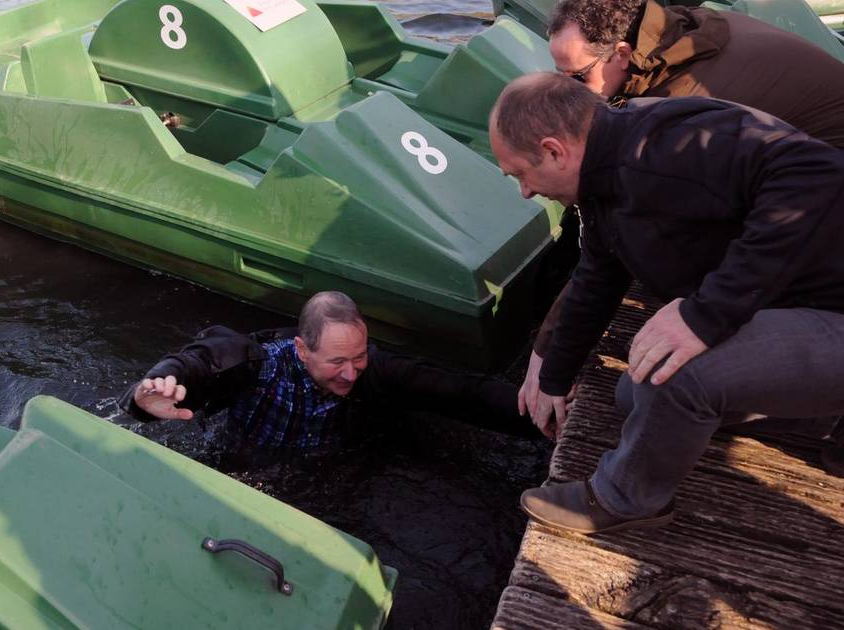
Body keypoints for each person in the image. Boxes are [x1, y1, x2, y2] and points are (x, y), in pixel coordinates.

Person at [489, 72, 844, 533]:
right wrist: (554, 377)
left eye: (520, 174)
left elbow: (819, 174)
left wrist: (705, 314)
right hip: (805, 306)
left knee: (675, 373)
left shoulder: (669, 147)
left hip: (832, 311)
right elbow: (597, 278)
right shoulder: (603, 179)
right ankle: (829, 420)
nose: (525, 191)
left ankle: (625, 500)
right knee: (634, 392)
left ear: (555, 150)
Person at [522, 0, 844, 439]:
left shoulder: (683, 107)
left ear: (621, 53)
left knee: (655, 371)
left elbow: (608, 245)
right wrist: (555, 360)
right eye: (559, 74)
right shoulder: (680, 34)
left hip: (823, 214)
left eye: (578, 77)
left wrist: (702, 317)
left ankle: (809, 406)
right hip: (805, 182)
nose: (569, 91)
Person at [118, 291, 532, 451]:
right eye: (336, 362)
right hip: (244, 457)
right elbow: (199, 361)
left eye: (358, 357)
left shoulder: (373, 371)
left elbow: (457, 391)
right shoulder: (256, 365)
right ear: (302, 349)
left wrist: (535, 408)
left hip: (324, 463)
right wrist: (146, 394)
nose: (350, 374)